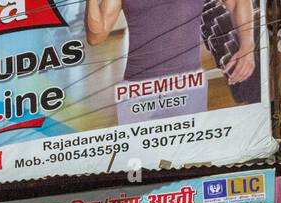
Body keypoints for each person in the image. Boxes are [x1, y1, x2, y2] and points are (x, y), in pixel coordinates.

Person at [87, 0, 254, 124]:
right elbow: (96, 35)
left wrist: (247, 44)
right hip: (138, 89)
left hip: (187, 85)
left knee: (188, 161)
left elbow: (238, 3)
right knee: (137, 163)